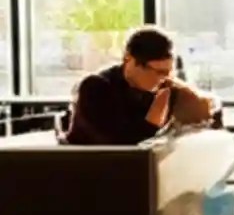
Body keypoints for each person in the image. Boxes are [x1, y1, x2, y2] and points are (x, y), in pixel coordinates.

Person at [63, 25, 220, 146]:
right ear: (129, 60)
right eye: (157, 71)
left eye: (168, 72)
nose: (163, 79)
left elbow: (209, 112)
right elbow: (127, 144)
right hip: (89, 170)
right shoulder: (96, 88)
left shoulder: (166, 86)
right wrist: (159, 107)